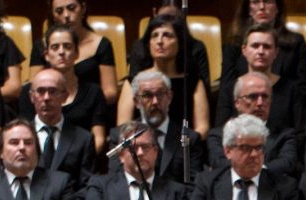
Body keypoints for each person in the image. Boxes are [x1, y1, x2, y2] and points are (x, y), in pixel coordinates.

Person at [18, 26, 110, 156]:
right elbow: (24, 134)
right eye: (55, 47)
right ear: (46, 55)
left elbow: (99, 139)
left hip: (80, 159)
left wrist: (76, 159)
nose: (61, 52)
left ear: (77, 53)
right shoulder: (30, 91)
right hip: (38, 160)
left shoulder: (93, 92)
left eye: (67, 46)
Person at [117, 13, 209, 136]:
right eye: (154, 36)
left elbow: (202, 128)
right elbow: (123, 128)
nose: (159, 41)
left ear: (180, 43)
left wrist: (181, 145)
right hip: (142, 145)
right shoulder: (134, 82)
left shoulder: (193, 82)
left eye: (167, 35)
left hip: (184, 145)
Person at [208, 71, 303, 178]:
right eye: (252, 97)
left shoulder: (285, 135)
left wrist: (252, 171)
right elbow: (220, 164)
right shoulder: (218, 136)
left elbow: (287, 163)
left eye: (265, 97)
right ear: (237, 103)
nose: (260, 103)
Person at [127, 68, 206, 186]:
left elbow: (194, 187)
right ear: (136, 101)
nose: (155, 101)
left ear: (169, 97)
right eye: (147, 95)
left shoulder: (190, 139)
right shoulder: (122, 139)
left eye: (160, 94)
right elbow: (117, 184)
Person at [20, 67, 98, 185]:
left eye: (53, 91)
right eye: (40, 91)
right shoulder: (17, 138)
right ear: (31, 97)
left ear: (65, 96)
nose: (46, 98)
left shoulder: (83, 139)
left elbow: (87, 186)